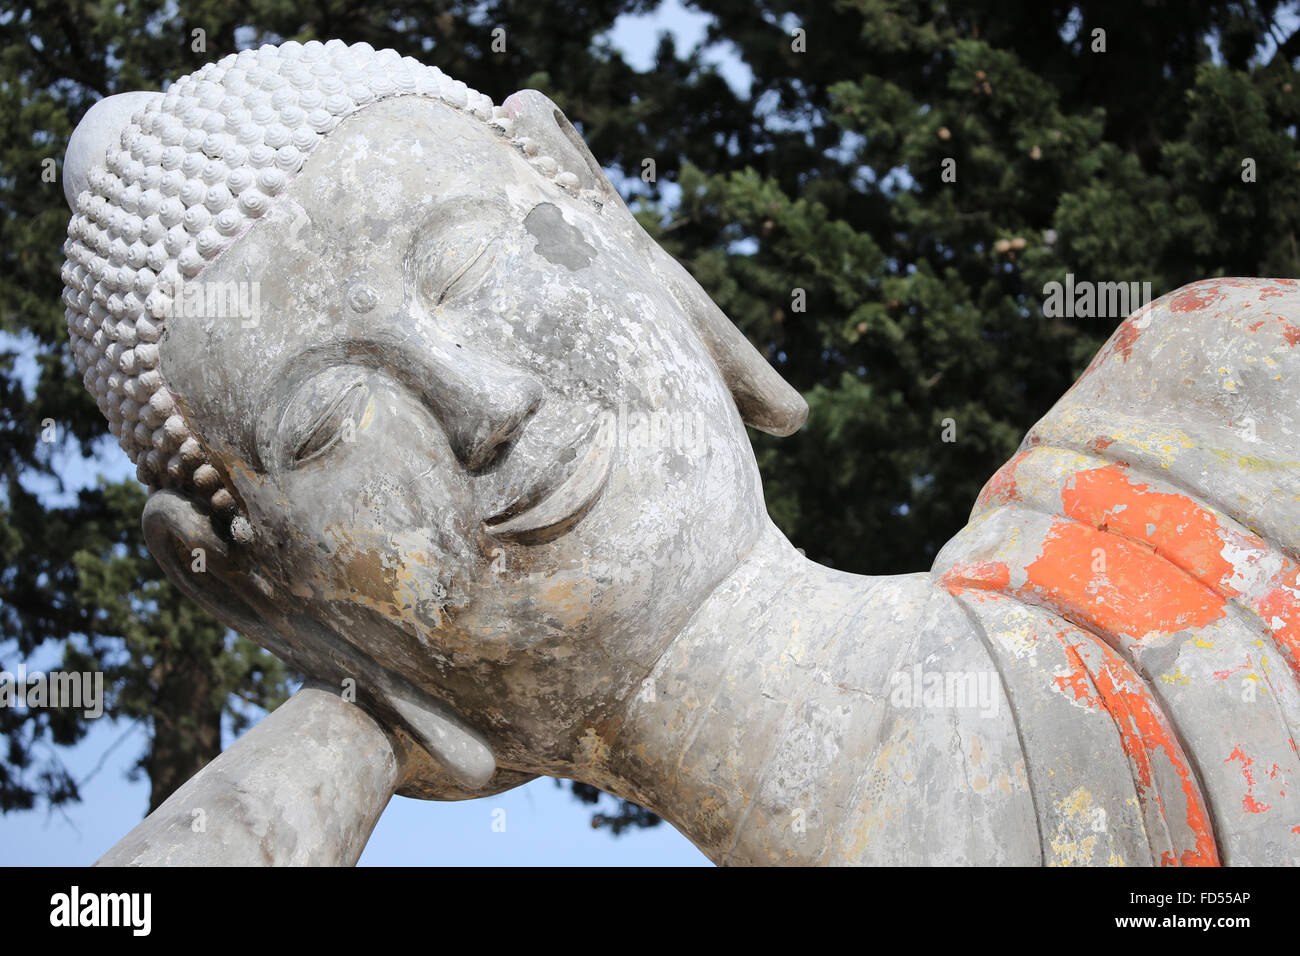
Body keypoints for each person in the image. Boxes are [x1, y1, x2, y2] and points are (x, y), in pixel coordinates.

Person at [65, 41, 1297, 866]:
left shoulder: (1227, 400)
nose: (480, 404)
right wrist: (346, 705)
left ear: (616, 221)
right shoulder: (303, 617)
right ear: (258, 585)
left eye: (469, 265)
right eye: (326, 423)